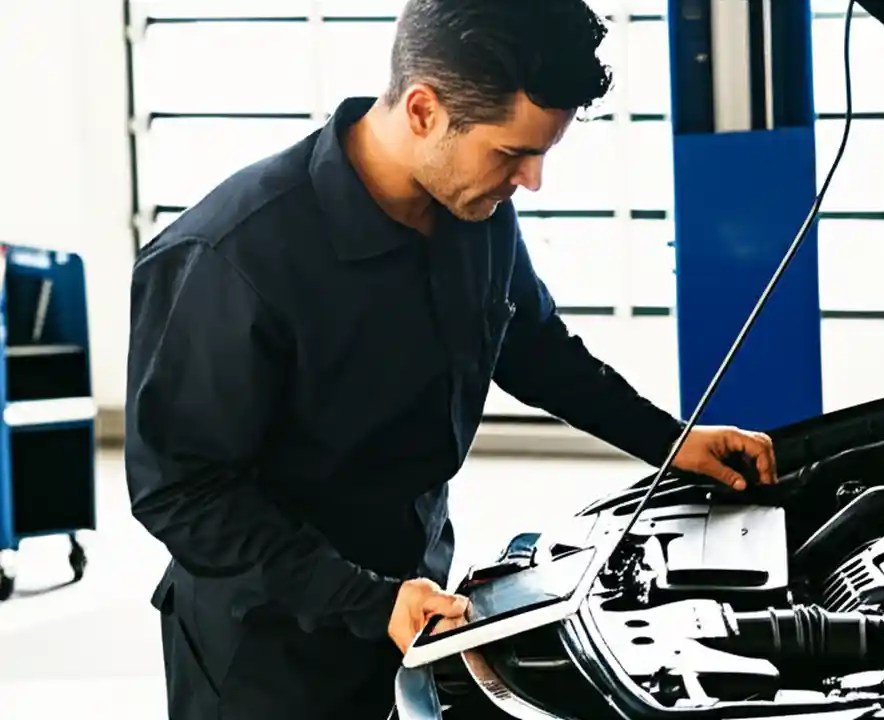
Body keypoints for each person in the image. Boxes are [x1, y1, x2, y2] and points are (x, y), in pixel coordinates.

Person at [124, 1, 778, 718]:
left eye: (543, 153)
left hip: (417, 603)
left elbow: (532, 349)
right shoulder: (231, 257)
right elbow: (182, 492)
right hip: (268, 648)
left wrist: (671, 442)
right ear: (424, 110)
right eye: (511, 153)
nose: (531, 181)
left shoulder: (473, 211)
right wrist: (366, 600)